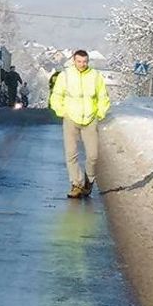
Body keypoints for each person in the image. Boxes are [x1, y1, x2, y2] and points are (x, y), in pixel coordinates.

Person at [50, 49, 110, 199]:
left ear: (87, 61)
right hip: (70, 117)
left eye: (84, 62)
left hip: (90, 119)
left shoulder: (95, 76)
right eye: (79, 61)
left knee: (93, 155)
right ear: (74, 61)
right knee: (71, 154)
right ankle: (76, 184)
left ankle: (89, 180)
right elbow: (57, 95)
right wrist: (61, 111)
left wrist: (100, 113)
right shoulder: (65, 76)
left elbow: (103, 96)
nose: (82, 64)